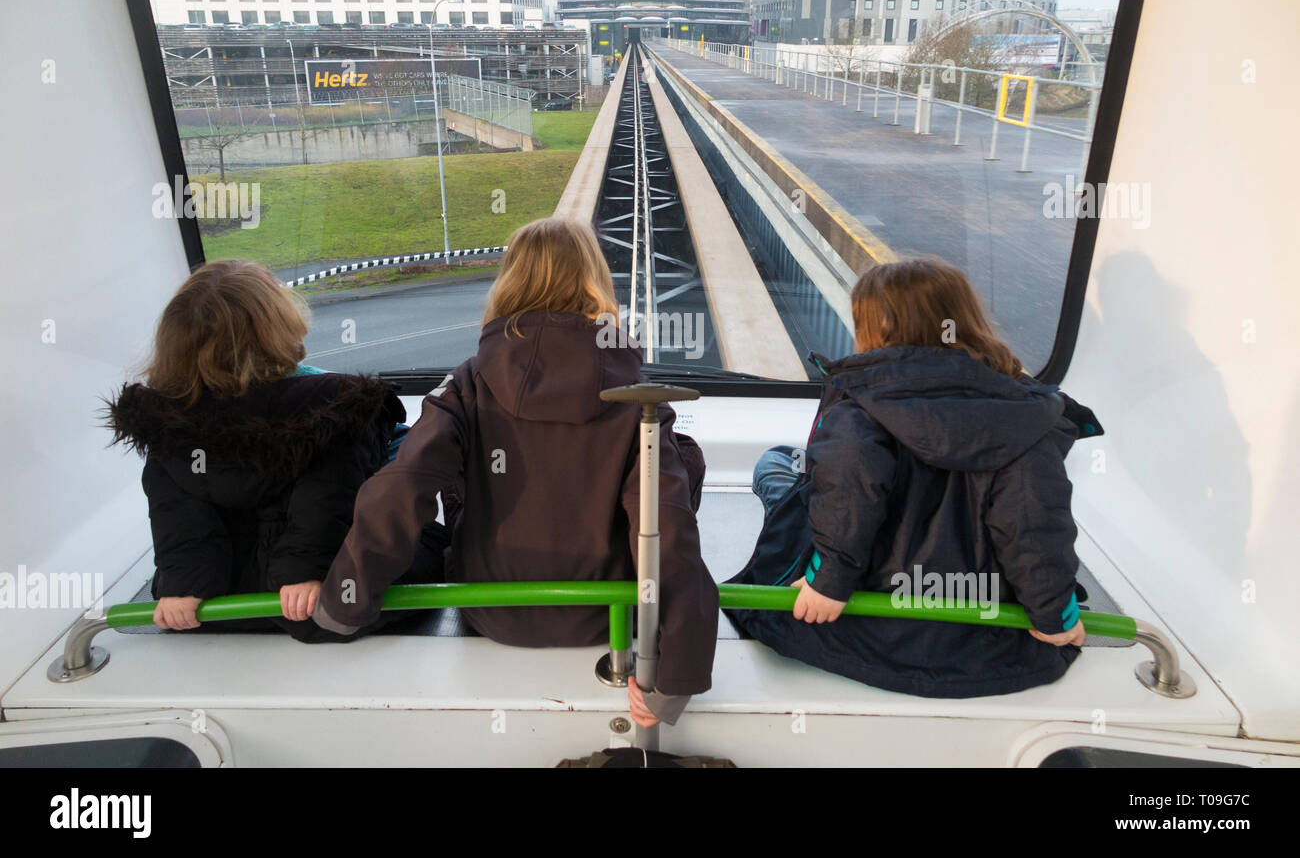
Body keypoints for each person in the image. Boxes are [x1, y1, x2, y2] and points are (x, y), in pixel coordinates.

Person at [311, 217, 718, 727]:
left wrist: (344, 600)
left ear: (509, 280)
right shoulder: (634, 392)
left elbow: (407, 479)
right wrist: (674, 678)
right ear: (594, 280)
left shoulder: (467, 382)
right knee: (675, 455)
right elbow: (667, 526)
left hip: (490, 608)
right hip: (604, 616)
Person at [727, 256, 1103, 698]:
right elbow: (1033, 526)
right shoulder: (1028, 413)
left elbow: (847, 498)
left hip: (867, 625)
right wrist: (1053, 615)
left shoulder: (861, 407)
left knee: (777, 465)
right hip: (981, 638)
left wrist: (826, 583)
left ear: (875, 330)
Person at [105, 260, 436, 641]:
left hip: (223, 606)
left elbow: (174, 510)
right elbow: (329, 493)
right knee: (429, 542)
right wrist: (305, 574)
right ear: (279, 324)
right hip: (316, 601)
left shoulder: (165, 421)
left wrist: (183, 586)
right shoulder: (336, 403)